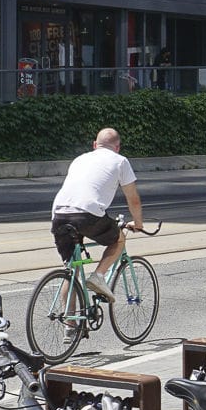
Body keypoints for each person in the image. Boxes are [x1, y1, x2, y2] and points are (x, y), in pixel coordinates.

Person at [50, 127, 144, 307]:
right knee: (119, 239)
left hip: (59, 215)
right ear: (118, 147)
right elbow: (134, 200)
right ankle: (98, 276)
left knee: (72, 269)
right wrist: (138, 223)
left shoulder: (79, 159)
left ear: (95, 145)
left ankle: (70, 326)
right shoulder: (120, 161)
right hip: (87, 214)